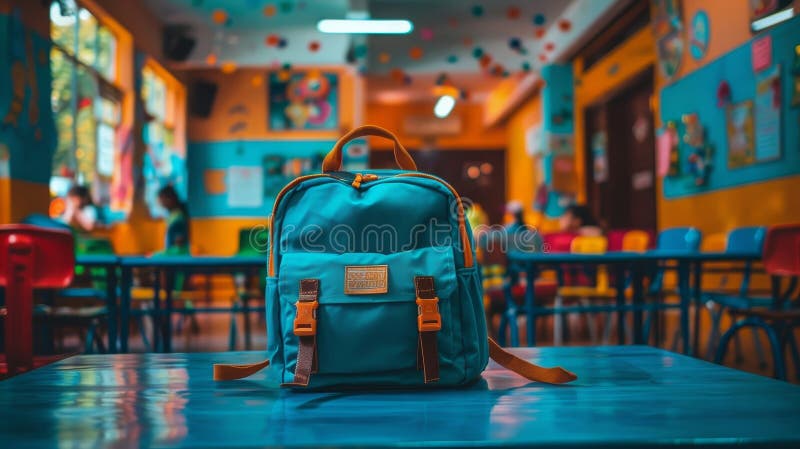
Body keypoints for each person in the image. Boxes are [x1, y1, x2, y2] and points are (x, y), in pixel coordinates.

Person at [158, 185, 190, 253]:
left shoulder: (178, 217)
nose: (160, 203)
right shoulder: (172, 215)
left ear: (170, 199)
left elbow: (179, 240)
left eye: (162, 199)